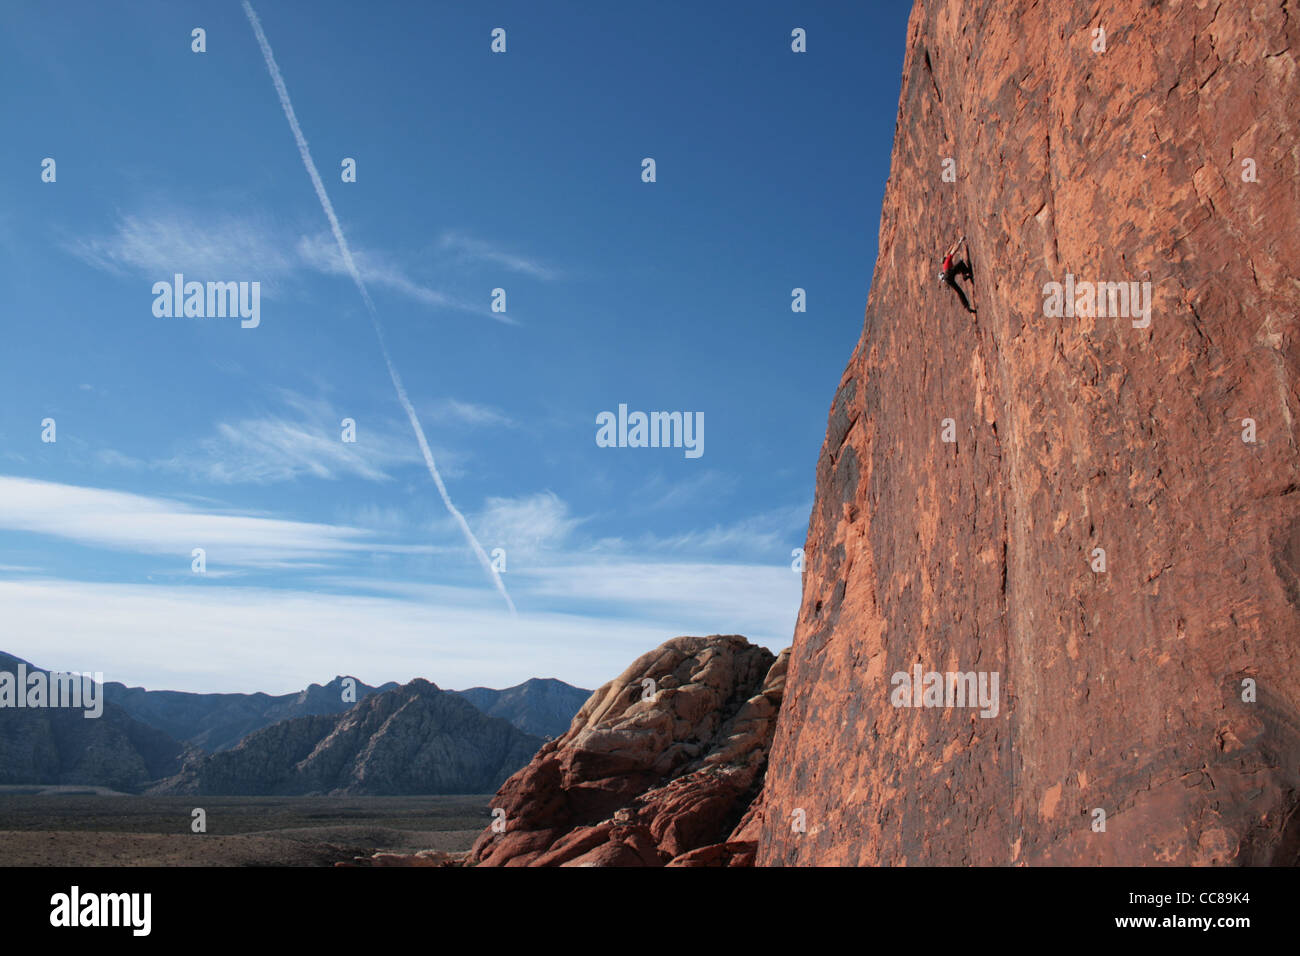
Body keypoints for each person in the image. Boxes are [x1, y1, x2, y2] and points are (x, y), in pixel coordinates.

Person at [938, 235, 975, 313]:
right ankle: (966, 273)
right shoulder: (947, 260)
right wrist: (960, 241)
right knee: (960, 263)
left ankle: (967, 307)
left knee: (959, 291)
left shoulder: (945, 266)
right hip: (948, 275)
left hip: (947, 279)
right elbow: (954, 250)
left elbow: (949, 252)